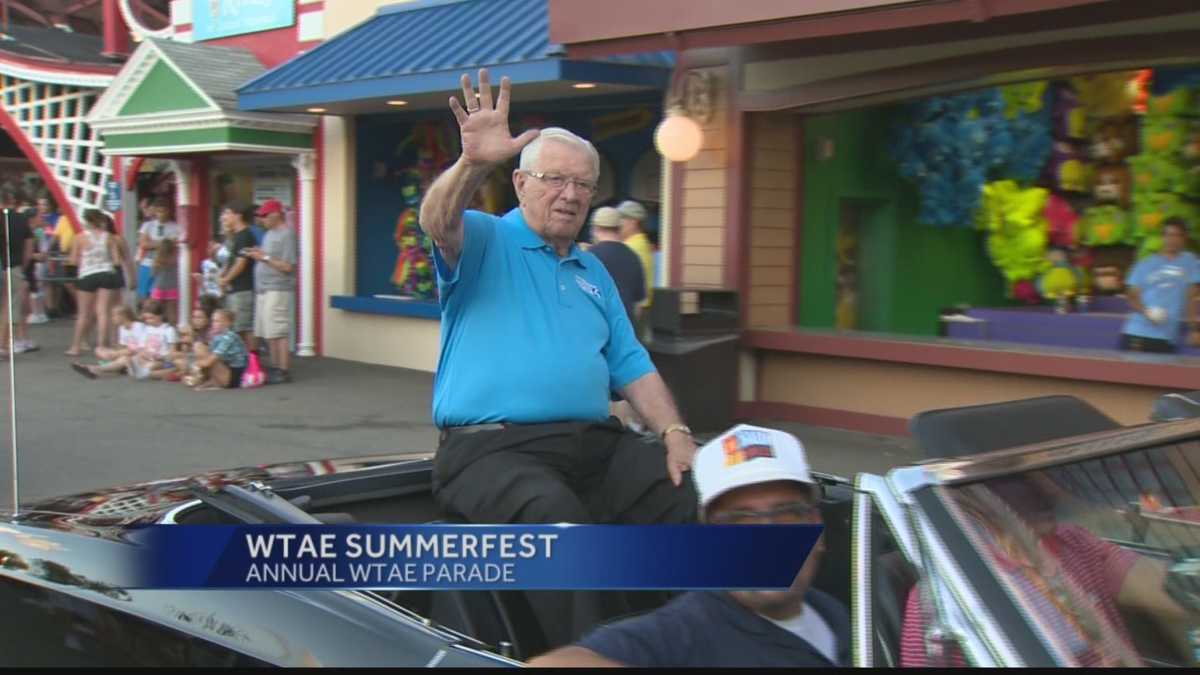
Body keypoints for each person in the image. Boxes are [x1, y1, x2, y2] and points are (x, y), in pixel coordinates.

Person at [419, 68, 698, 648]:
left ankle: (694, 643)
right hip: (491, 451)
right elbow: (437, 221)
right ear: (520, 183)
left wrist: (674, 430)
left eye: (583, 185)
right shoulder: (485, 240)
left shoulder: (594, 270)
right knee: (562, 533)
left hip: (593, 446)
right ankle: (598, 659)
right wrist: (472, 164)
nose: (570, 195)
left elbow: (632, 363)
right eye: (554, 180)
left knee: (694, 499)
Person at [529, 425, 847, 667]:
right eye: (740, 520)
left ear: (817, 527)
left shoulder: (832, 614)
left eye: (787, 513)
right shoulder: (691, 631)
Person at [900, 474, 1200, 667]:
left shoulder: (1074, 542)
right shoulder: (943, 594)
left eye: (1041, 478)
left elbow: (1165, 589)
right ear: (976, 501)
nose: (1043, 492)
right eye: (1017, 481)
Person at [1120, 218, 1200, 352]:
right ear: (1162, 237)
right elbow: (1132, 296)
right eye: (1168, 235)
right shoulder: (1144, 264)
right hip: (1136, 334)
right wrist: (1148, 312)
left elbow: (1190, 298)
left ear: (1184, 238)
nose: (1172, 239)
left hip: (1167, 337)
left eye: (1177, 235)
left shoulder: (1191, 261)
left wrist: (1194, 329)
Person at [242, 199, 296, 385]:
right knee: (268, 331)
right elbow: (268, 257)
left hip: (278, 287)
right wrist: (258, 253)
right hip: (263, 288)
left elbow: (288, 266)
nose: (261, 219)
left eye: (265, 215)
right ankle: (275, 366)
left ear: (276, 215)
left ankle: (283, 369)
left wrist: (263, 257)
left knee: (278, 329)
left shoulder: (287, 234)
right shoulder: (268, 234)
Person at [67, 209, 125, 357]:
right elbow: (117, 260)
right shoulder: (110, 237)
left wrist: (73, 276)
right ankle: (102, 345)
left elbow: (73, 260)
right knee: (103, 312)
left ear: (87, 221)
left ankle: (76, 346)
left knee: (83, 314)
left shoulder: (80, 238)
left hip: (87, 274)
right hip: (106, 272)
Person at [588, 206, 645, 329]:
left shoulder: (587, 257)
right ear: (619, 228)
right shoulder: (634, 257)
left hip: (597, 333)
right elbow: (638, 306)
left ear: (595, 228)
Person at [0, 195, 38, 355]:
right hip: (12, 267)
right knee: (9, 307)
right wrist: (21, 266)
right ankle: (3, 345)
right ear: (13, 202)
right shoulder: (22, 220)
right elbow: (29, 248)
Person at [218, 204, 256, 348]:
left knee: (244, 327)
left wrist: (226, 279)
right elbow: (231, 261)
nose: (224, 217)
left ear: (238, 215)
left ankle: (252, 363)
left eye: (227, 212)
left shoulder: (245, 235)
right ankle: (242, 361)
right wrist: (223, 276)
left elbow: (241, 263)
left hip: (243, 289)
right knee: (236, 326)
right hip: (234, 289)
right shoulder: (236, 237)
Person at [71, 305, 144, 379]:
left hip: (138, 354)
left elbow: (138, 348)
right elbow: (123, 346)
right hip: (127, 352)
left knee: (124, 358)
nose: (112, 318)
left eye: (114, 316)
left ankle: (94, 368)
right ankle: (116, 366)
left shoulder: (138, 326)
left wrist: (117, 353)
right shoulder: (121, 328)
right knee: (99, 350)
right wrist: (115, 351)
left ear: (123, 316)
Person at [616, 199, 655, 328]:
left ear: (633, 222)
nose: (617, 224)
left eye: (621, 219)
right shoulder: (638, 243)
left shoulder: (634, 246)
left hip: (635, 311)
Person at [190, 308, 248, 390]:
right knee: (199, 346)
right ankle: (210, 380)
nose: (214, 324)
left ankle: (216, 382)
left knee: (203, 353)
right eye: (213, 321)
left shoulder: (229, 336)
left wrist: (196, 365)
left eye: (217, 321)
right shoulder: (217, 336)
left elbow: (210, 361)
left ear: (227, 323)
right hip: (226, 368)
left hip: (235, 375)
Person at [136, 199, 181, 301]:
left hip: (165, 266)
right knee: (145, 295)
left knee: (164, 297)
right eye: (159, 211)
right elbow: (144, 244)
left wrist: (153, 242)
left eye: (164, 211)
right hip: (147, 263)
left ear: (169, 211)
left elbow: (176, 245)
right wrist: (165, 243)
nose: (161, 214)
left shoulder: (176, 227)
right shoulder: (147, 226)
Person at [129, 299, 177, 380]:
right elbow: (141, 347)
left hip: (162, 360)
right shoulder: (147, 329)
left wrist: (162, 357)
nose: (148, 321)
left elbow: (173, 351)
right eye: (146, 319)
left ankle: (145, 372)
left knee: (155, 365)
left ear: (160, 316)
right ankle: (142, 371)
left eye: (151, 318)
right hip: (148, 358)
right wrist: (143, 353)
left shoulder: (168, 330)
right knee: (134, 358)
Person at [151, 238, 179, 325]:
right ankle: (172, 331)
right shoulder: (175, 259)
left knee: (155, 312)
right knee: (172, 314)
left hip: (159, 287)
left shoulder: (157, 260)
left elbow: (153, 274)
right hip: (172, 287)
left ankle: (157, 330)